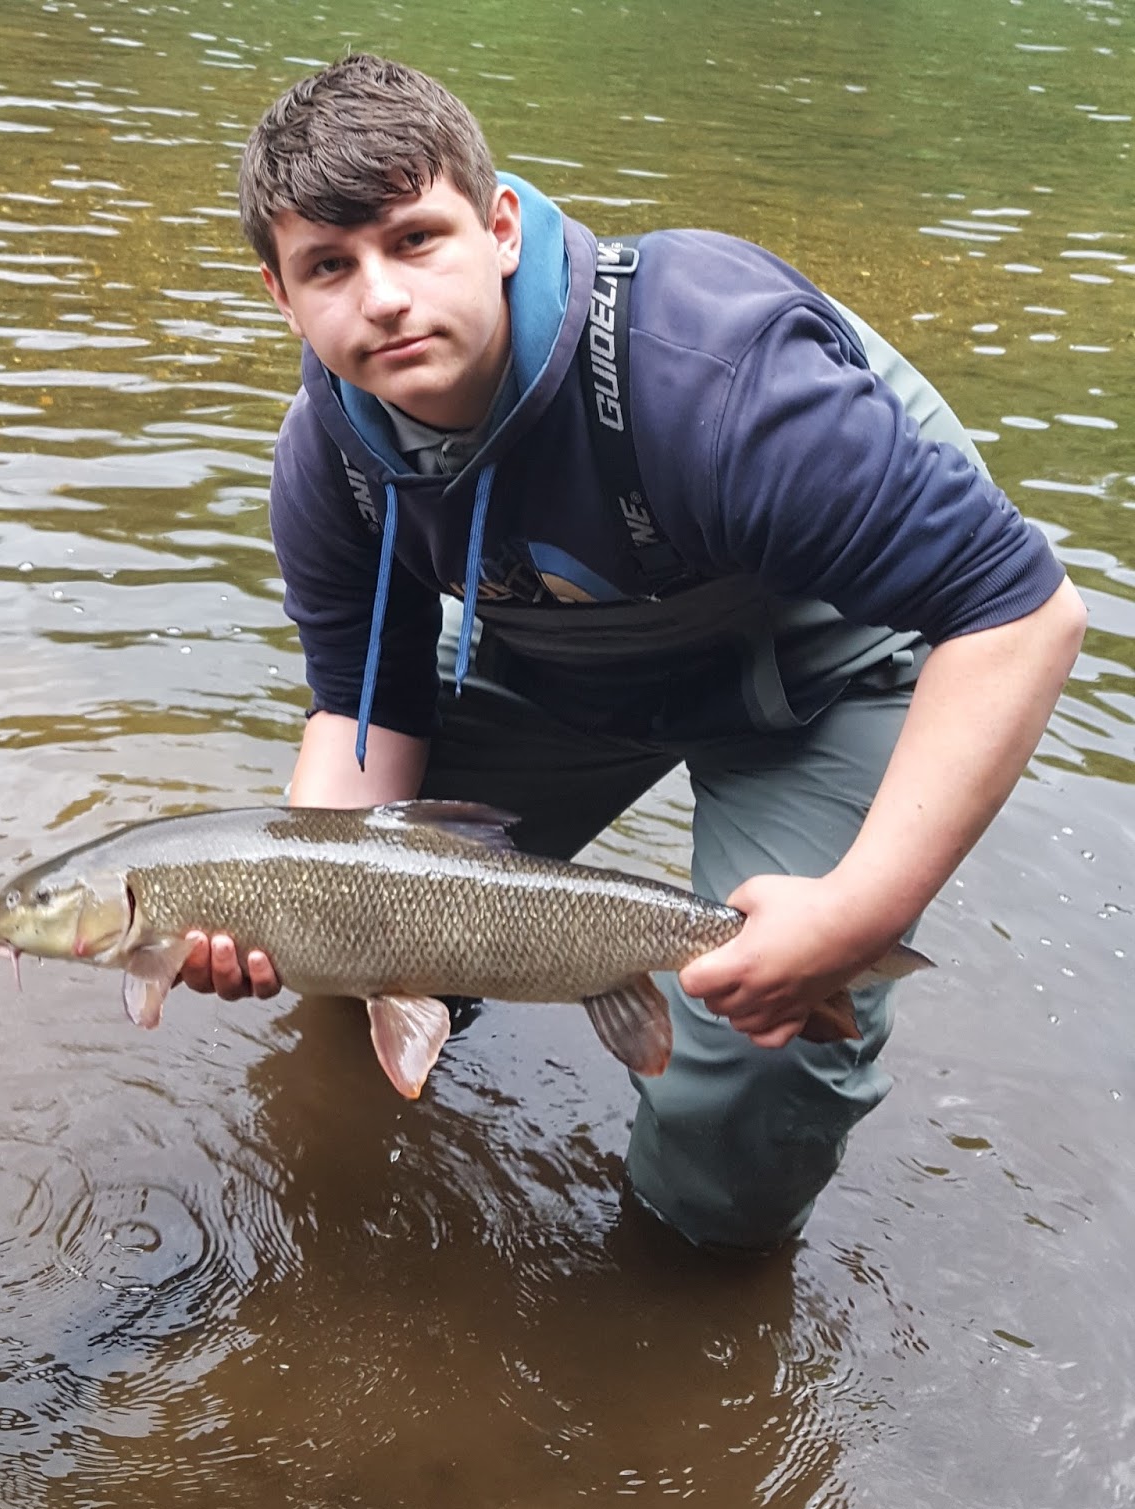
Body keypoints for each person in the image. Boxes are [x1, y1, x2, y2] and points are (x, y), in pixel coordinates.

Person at [181, 53, 1086, 1252]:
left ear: (499, 227)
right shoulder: (329, 466)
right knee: (344, 978)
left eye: (414, 240)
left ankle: (677, 1287)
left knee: (752, 1059)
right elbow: (365, 718)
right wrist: (294, 918)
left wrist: (860, 911)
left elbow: (1022, 612)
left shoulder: (710, 377)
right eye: (329, 266)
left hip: (833, 663)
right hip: (570, 663)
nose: (382, 298)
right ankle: (350, 1234)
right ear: (280, 297)